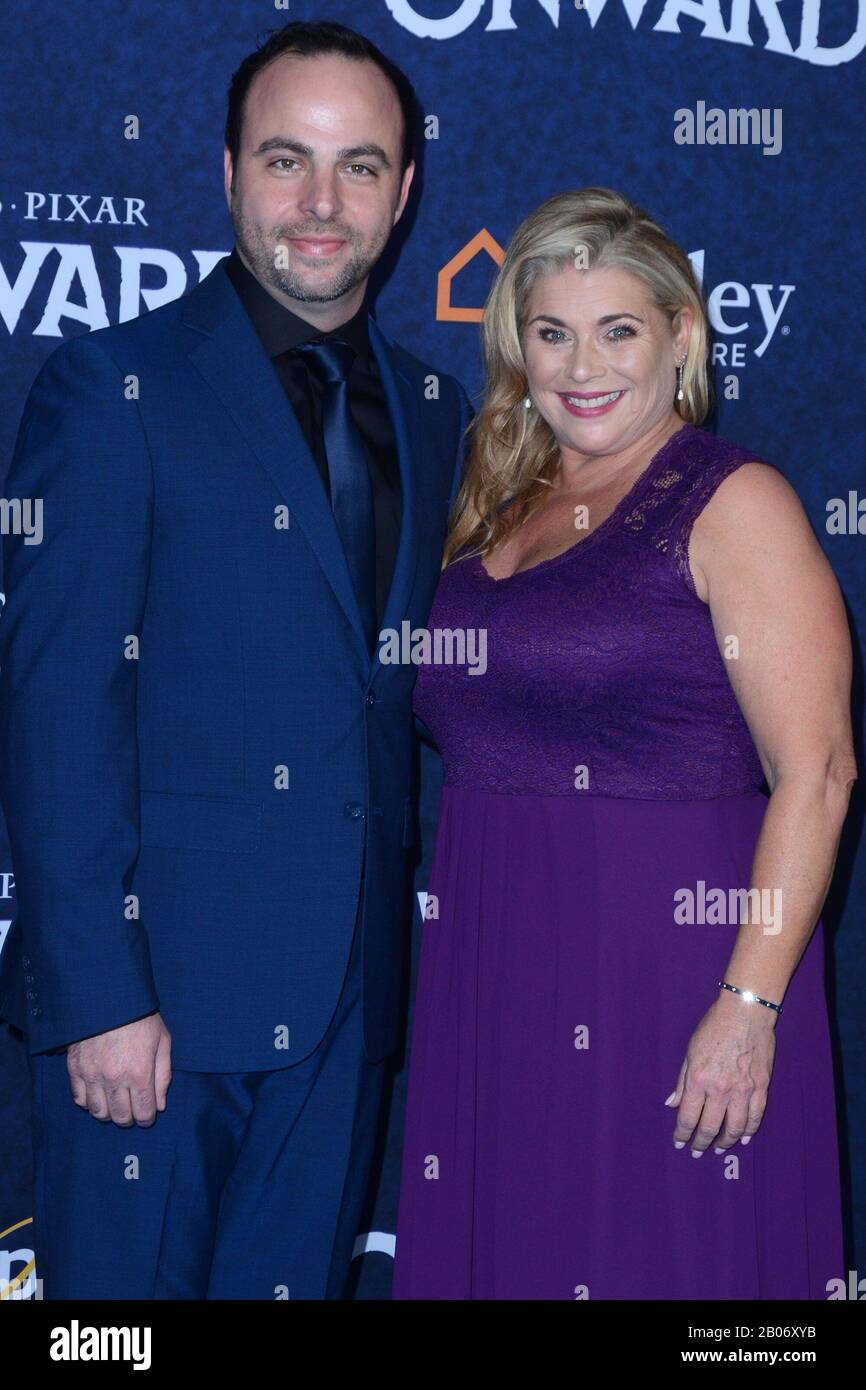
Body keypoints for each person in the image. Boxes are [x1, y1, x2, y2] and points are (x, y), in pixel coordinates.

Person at [0, 21, 471, 1300]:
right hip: (152, 1007)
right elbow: (55, 708)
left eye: (359, 166)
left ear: (404, 190)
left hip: (345, 1005)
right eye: (286, 160)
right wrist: (95, 992)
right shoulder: (112, 386)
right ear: (223, 172)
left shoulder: (437, 417)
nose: (321, 205)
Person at [392, 187, 856, 1300]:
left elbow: (820, 772)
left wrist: (747, 1007)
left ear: (679, 337)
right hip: (493, 972)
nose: (579, 364)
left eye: (616, 330)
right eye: (550, 332)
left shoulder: (732, 500)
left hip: (672, 976)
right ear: (516, 347)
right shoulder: (491, 503)